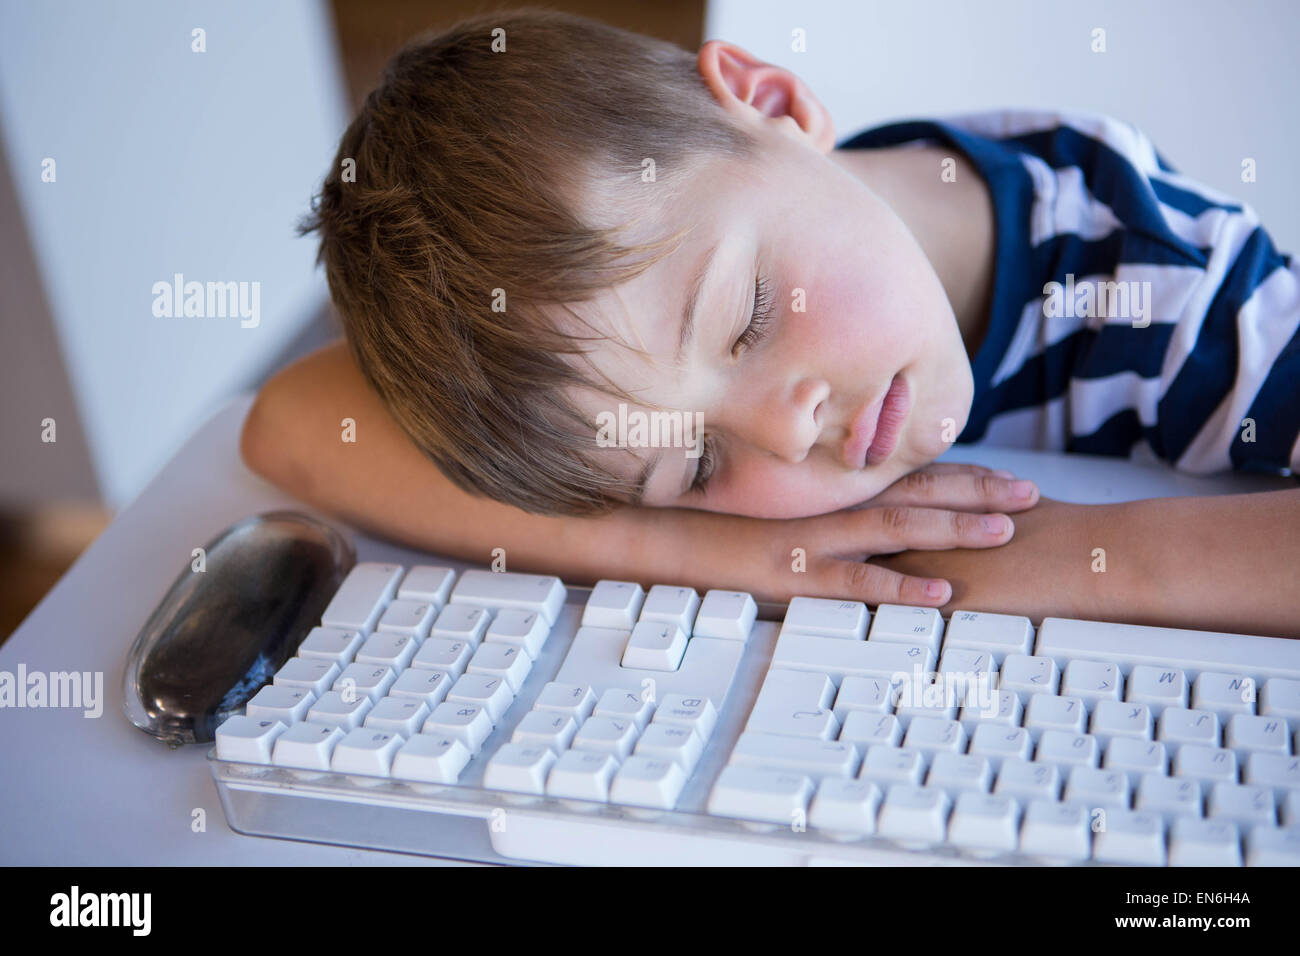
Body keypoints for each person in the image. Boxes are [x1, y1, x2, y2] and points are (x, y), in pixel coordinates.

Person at [242, 8, 1300, 637]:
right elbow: (290, 420)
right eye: (697, 464)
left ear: (775, 105)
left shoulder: (1161, 288)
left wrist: (1085, 555)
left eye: (746, 322)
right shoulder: (743, 229)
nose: (785, 433)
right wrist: (700, 548)